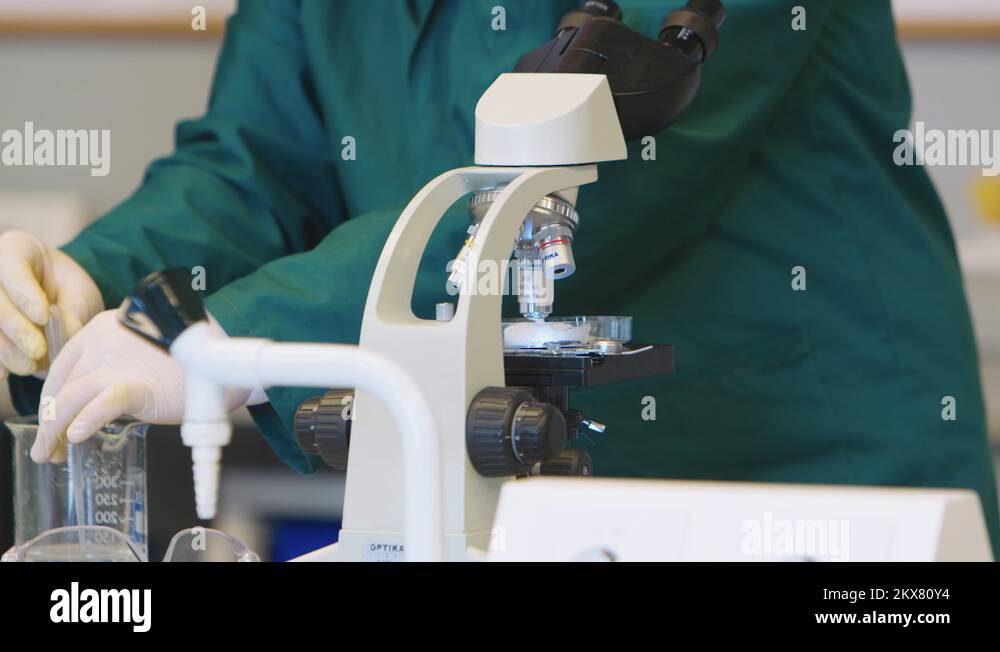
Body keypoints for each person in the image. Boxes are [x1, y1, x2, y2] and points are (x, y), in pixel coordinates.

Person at [2, 0, 997, 555]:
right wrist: (91, 276)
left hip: (803, 484)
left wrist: (226, 336)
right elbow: (254, 161)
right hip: (506, 503)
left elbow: (582, 187)